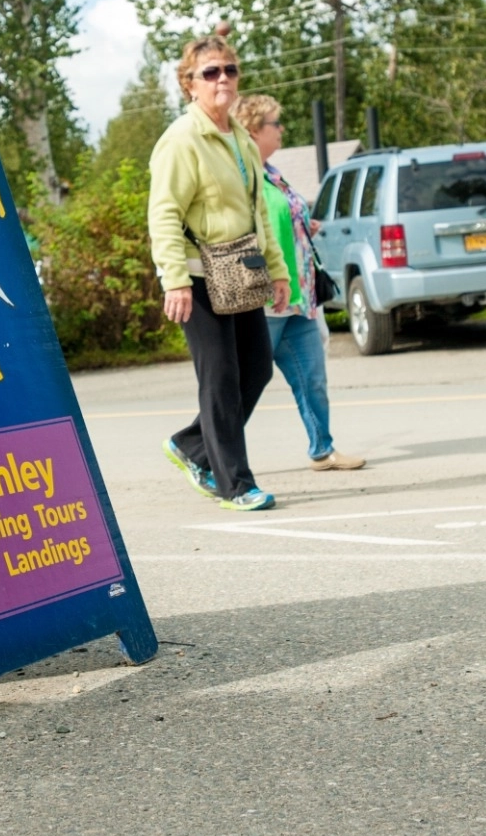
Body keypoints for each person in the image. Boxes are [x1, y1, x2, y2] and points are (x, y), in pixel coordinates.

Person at [148, 34, 290, 512]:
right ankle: (234, 484)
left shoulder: (241, 138)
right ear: (190, 83)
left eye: (229, 69)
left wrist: (278, 271)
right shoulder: (181, 140)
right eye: (210, 72)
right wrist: (174, 279)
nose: (222, 78)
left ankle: (191, 445)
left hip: (240, 271)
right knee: (221, 378)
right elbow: (164, 214)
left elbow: (259, 212)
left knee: (257, 368)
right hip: (197, 276)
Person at [235, 94, 365, 472]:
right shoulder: (241, 177)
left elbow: (279, 220)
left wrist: (304, 226)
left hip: (298, 296)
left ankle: (322, 449)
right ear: (253, 131)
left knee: (313, 380)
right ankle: (206, 453)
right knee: (245, 387)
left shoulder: (273, 173)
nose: (282, 129)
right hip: (265, 300)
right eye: (275, 123)